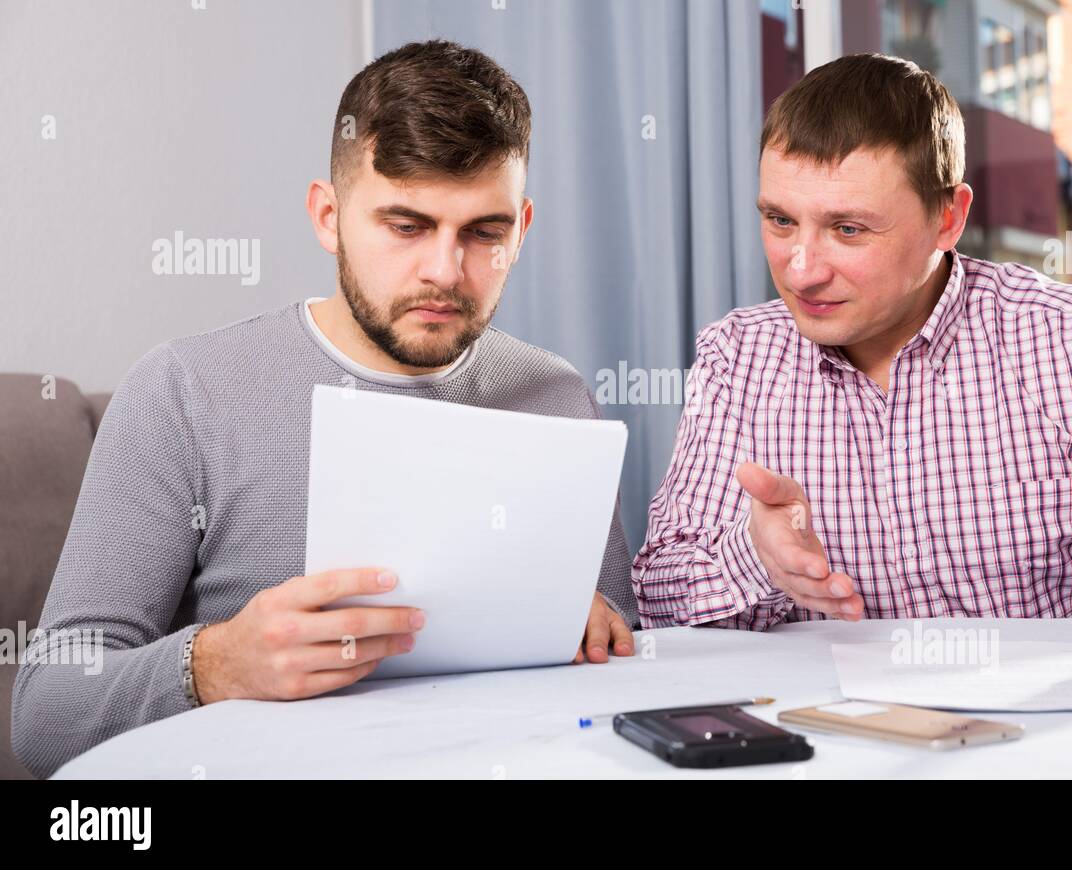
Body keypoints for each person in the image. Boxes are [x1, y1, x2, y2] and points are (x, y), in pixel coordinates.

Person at [13, 40, 635, 779]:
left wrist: (602, 634)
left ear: (521, 230)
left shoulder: (557, 399)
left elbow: (618, 665)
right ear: (328, 216)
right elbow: (43, 714)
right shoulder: (182, 391)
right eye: (405, 226)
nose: (444, 270)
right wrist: (211, 666)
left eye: (483, 233)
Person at [633, 53, 1072, 641]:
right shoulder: (737, 358)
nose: (800, 268)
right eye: (780, 220)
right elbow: (658, 597)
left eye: (848, 229)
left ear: (948, 217)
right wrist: (757, 557)